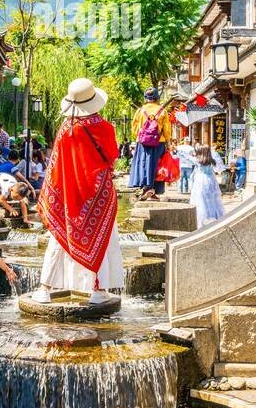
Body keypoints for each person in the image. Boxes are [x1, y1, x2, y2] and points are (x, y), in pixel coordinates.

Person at [32, 78, 123, 305]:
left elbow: (55, 169)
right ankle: (98, 291)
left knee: (59, 240)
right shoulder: (105, 128)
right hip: (99, 194)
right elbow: (111, 158)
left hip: (69, 195)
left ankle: (45, 289)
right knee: (103, 239)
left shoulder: (66, 130)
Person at [128, 88, 172, 201]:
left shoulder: (140, 110)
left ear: (145, 98)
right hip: (159, 141)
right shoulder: (162, 110)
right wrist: (168, 141)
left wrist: (139, 137)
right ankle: (153, 190)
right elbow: (167, 129)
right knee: (157, 165)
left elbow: (134, 128)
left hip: (143, 142)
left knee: (143, 163)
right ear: (157, 98)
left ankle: (146, 188)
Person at [190, 145, 226, 228]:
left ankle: (202, 220)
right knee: (213, 200)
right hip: (211, 181)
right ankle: (215, 217)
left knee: (200, 200)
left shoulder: (197, 161)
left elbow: (187, 157)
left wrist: (176, 151)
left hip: (200, 181)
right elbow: (219, 169)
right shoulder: (212, 161)